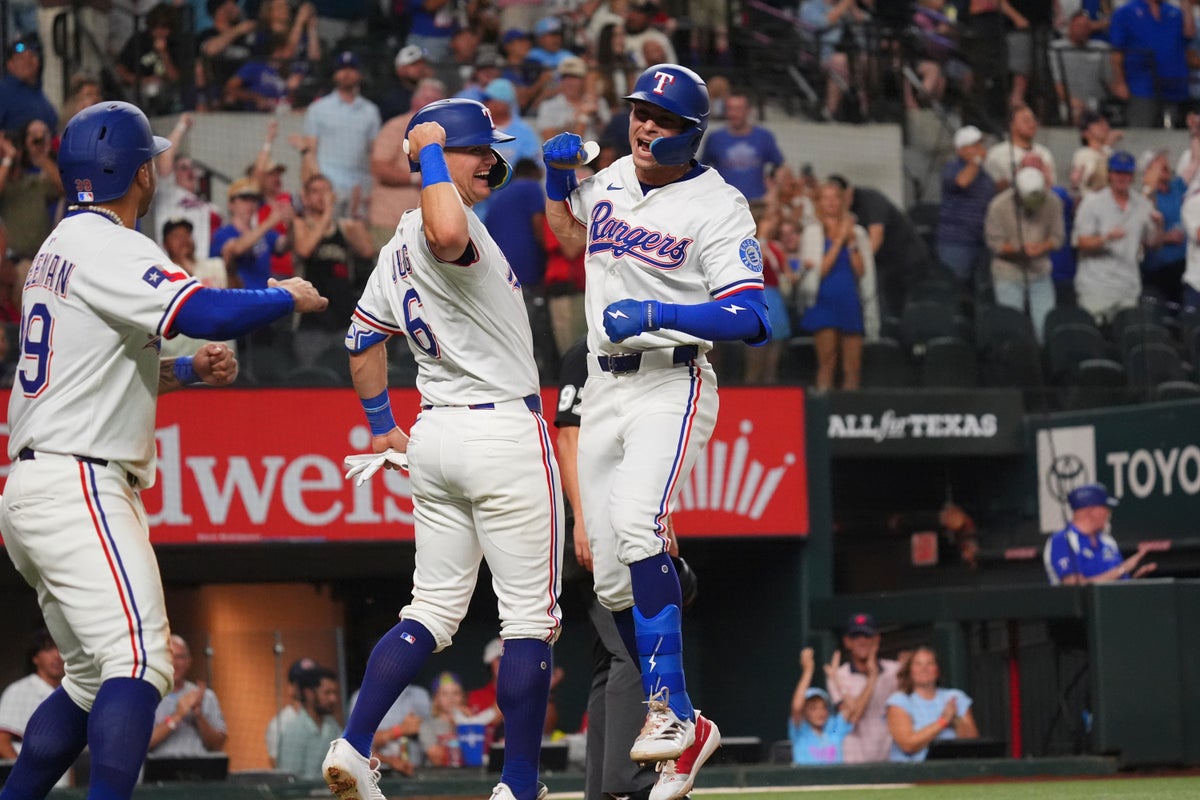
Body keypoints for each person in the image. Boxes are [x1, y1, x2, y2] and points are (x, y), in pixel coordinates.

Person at [0, 100, 326, 800]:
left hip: (40, 481)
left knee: (91, 680)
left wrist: (180, 371)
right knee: (143, 662)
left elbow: (92, 370)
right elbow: (204, 312)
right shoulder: (107, 243)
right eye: (150, 159)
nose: (156, 170)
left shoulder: (60, 246)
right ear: (135, 171)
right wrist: (284, 295)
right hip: (78, 483)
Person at [323, 97, 565, 800]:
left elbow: (361, 338)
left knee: (429, 612)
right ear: (441, 157)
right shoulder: (437, 224)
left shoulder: (396, 242)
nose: (492, 159)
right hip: (501, 431)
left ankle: (356, 742)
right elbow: (447, 229)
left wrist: (380, 423)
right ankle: (519, 785)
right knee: (527, 621)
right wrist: (429, 153)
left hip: (435, 434)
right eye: (477, 150)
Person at [543, 63, 772, 800]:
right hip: (604, 386)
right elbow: (568, 230)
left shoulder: (719, 203)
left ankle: (674, 712)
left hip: (673, 379)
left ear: (692, 131)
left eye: (664, 119)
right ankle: (682, 723)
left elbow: (753, 316)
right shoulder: (609, 178)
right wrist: (555, 182)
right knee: (610, 575)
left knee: (641, 526)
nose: (645, 126)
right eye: (641, 111)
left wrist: (655, 315)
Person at [555, 337, 697, 800]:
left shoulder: (642, 351)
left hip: (622, 522)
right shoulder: (587, 353)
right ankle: (629, 782)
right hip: (600, 527)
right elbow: (568, 435)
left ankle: (604, 788)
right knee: (629, 645)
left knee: (606, 660)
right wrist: (582, 519)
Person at [798, 179, 877, 391]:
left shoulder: (857, 233)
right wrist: (839, 240)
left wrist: (850, 242)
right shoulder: (813, 232)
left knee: (853, 365)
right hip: (824, 300)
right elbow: (818, 272)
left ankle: (848, 411)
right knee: (827, 361)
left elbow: (862, 272)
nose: (831, 203)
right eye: (826, 198)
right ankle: (823, 410)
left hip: (850, 300)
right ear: (820, 202)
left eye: (835, 198)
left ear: (843, 201)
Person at [291, 173, 377, 363]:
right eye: (315, 192)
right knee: (312, 379)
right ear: (305, 198)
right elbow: (305, 250)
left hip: (343, 320)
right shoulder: (300, 224)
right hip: (310, 324)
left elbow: (368, 250)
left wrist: (356, 214)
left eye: (326, 191)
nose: (321, 196)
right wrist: (328, 213)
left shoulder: (344, 228)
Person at [1073, 151, 1162, 325]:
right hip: (1095, 286)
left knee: (1127, 339)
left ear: (1133, 176)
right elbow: (1081, 243)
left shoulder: (1143, 204)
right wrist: (1106, 238)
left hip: (1128, 287)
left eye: (1127, 173)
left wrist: (1159, 225)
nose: (1122, 177)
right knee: (1095, 340)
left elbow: (1154, 244)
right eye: (1118, 172)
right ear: (1110, 174)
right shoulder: (1092, 202)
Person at [983, 166, 1064, 343]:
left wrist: (1042, 247)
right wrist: (1019, 250)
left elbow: (1058, 238)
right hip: (1008, 272)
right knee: (1012, 328)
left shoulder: (1054, 202)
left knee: (1045, 327)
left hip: (1040, 270)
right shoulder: (998, 205)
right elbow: (994, 243)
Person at [302, 51, 382, 213]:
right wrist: (315, 186)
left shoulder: (371, 111)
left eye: (352, 69)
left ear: (360, 74)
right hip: (329, 184)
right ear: (334, 74)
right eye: (341, 69)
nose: (346, 73)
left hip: (360, 185)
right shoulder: (318, 108)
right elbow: (310, 151)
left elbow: (375, 152)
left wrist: (374, 187)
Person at [1044, 482, 1157, 585]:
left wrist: (1135, 581)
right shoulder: (1062, 540)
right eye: (1106, 508)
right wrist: (1121, 570)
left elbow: (1114, 583)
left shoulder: (1108, 541)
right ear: (1092, 511)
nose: (1109, 513)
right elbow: (1074, 586)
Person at [826, 613, 901, 764]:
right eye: (856, 637)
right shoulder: (839, 676)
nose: (862, 642)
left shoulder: (895, 671)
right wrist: (872, 677)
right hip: (854, 756)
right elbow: (853, 717)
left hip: (889, 753)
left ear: (876, 640)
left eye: (867, 636)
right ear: (847, 642)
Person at [1109, 0, 1194, 128]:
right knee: (1141, 131)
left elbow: (1189, 34)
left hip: (1173, 85)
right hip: (1141, 86)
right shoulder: (1125, 12)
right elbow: (1116, 52)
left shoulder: (1174, 12)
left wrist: (1186, 5)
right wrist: (1120, 82)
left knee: (1173, 135)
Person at [886, 646, 979, 762]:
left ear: (937, 670)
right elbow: (908, 745)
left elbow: (972, 742)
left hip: (952, 769)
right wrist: (943, 721)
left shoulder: (955, 697)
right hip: (913, 773)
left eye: (930, 663)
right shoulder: (899, 700)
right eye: (918, 664)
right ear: (910, 671)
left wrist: (955, 719)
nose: (924, 668)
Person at [936, 125, 996, 290]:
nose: (980, 149)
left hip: (980, 241)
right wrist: (977, 161)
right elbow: (962, 182)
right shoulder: (951, 168)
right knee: (955, 287)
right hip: (956, 242)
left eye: (980, 145)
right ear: (961, 149)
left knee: (979, 290)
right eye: (975, 145)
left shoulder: (983, 174)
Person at [147, 635, 227, 757]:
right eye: (169, 657)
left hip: (198, 771)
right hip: (159, 771)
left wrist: (199, 716)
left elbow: (217, 745)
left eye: (179, 657)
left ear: (189, 662)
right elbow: (141, 744)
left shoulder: (206, 697)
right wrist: (177, 716)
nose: (174, 663)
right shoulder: (147, 696)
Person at [698, 92, 785, 203]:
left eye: (738, 109)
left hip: (756, 203)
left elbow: (782, 167)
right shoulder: (715, 138)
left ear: (748, 110)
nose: (733, 114)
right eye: (730, 109)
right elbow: (701, 168)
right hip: (725, 202)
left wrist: (773, 192)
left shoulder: (764, 137)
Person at [212, 177, 294, 290]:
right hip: (239, 299)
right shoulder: (222, 234)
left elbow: (286, 245)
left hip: (263, 298)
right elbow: (235, 249)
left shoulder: (263, 233)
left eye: (254, 199)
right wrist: (270, 221)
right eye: (245, 198)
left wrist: (291, 225)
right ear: (231, 204)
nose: (250, 204)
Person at [0, 629, 66, 760]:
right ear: (35, 658)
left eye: (61, 649)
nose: (57, 655)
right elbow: (2, 742)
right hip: (32, 774)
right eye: (48, 649)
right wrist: (24, 777)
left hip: (63, 775)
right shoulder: (19, 691)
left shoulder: (71, 692)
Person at [347, 683, 431, 776]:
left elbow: (430, 736)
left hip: (418, 773)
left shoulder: (420, 695)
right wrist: (399, 730)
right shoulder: (363, 695)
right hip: (378, 774)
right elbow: (356, 743)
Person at [278, 666, 343, 779]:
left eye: (335, 693)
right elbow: (289, 781)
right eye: (327, 693)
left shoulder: (333, 726)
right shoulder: (294, 731)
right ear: (309, 694)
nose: (333, 699)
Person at [789, 647, 852, 765]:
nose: (820, 712)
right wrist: (808, 671)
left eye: (824, 707)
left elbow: (851, 708)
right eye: (813, 708)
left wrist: (836, 679)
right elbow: (797, 707)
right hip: (806, 781)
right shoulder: (801, 730)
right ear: (805, 712)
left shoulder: (833, 729)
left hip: (835, 781)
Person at [266, 656, 321, 768]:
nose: (309, 689)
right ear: (291, 687)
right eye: (304, 684)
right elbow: (278, 766)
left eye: (314, 684)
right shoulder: (280, 724)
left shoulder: (327, 721)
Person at [0, 38, 58, 132]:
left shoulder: (41, 97)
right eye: (21, 58)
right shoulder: (3, 93)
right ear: (9, 64)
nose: (27, 62)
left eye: (32, 57)